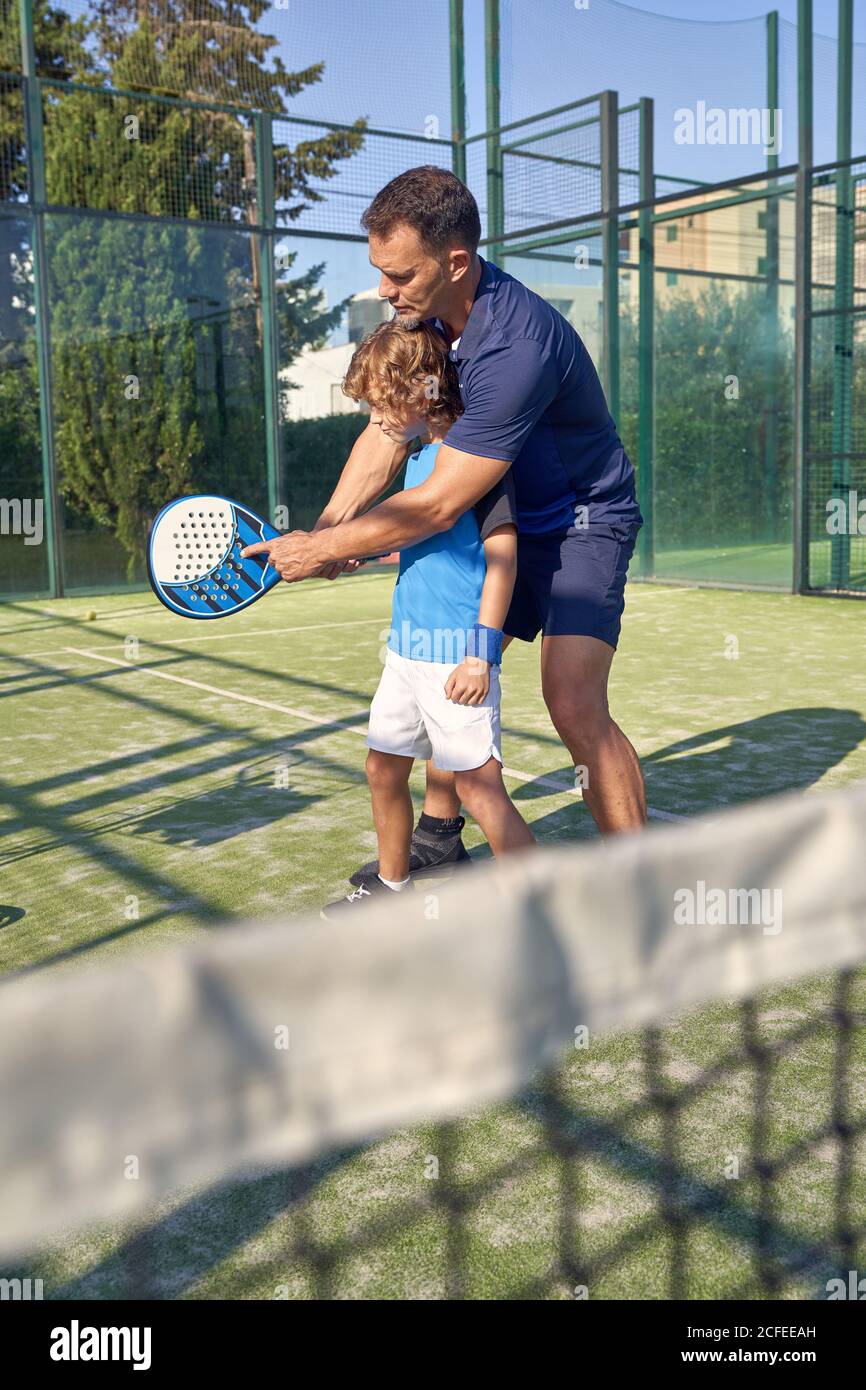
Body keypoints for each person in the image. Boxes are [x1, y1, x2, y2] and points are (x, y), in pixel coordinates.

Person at [242, 165, 646, 887]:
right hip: (500, 509)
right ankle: (438, 837)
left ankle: (644, 882)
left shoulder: (517, 345)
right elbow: (389, 431)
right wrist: (328, 531)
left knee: (572, 699)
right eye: (379, 272)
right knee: (441, 666)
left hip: (580, 520)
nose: (382, 291)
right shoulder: (421, 323)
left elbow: (436, 504)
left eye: (398, 274)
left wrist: (325, 549)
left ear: (455, 262)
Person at [320, 320, 534, 918]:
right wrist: (361, 550)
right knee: (382, 766)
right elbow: (433, 546)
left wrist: (482, 654)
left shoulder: (477, 460)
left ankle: (544, 912)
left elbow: (501, 557)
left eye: (385, 401)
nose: (379, 416)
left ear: (426, 388)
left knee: (480, 788)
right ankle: (391, 889)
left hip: (455, 656)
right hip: (406, 652)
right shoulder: (417, 463)